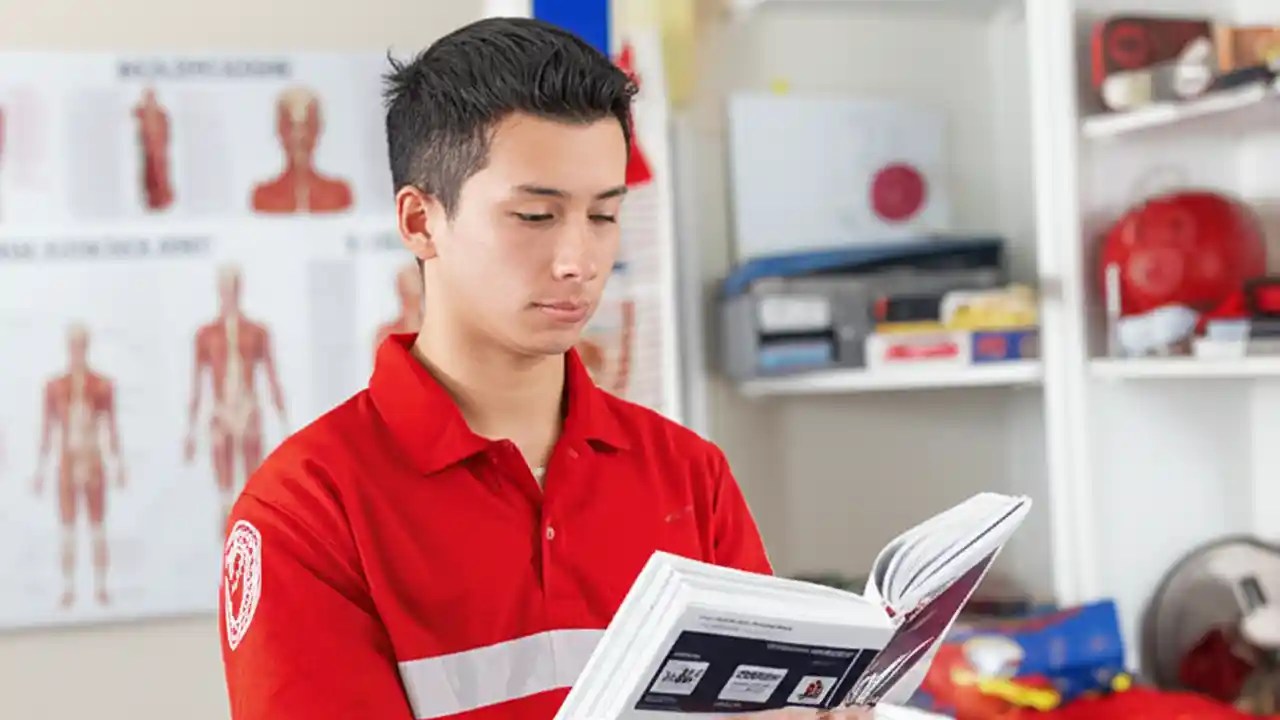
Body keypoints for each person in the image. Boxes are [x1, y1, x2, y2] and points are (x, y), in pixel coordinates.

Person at [218, 17, 870, 720]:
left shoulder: (688, 475)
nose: (579, 260)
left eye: (603, 215)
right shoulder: (305, 511)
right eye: (535, 215)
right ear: (419, 222)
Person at [185, 264, 287, 532]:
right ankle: (228, 557)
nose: (229, 293)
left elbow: (271, 376)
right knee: (225, 486)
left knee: (252, 482)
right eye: (225, 288)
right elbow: (198, 384)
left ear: (239, 290)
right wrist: (191, 431)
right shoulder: (207, 334)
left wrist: (285, 423)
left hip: (248, 406)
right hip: (221, 410)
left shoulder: (256, 331)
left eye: (233, 287)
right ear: (219, 291)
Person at [33, 323, 126, 608]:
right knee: (68, 528)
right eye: (73, 344)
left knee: (98, 526)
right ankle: (68, 587)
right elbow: (47, 431)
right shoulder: (55, 387)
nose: (77, 350)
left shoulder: (101, 385)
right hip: (67, 460)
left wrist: (118, 463)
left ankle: (101, 586)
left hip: (93, 459)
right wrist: (40, 469)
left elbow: (111, 428)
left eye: (81, 344)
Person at [250, 86, 353, 214]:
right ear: (280, 131)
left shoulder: (338, 193)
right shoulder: (264, 195)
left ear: (318, 129)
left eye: (307, 125)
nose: (299, 136)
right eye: (290, 126)